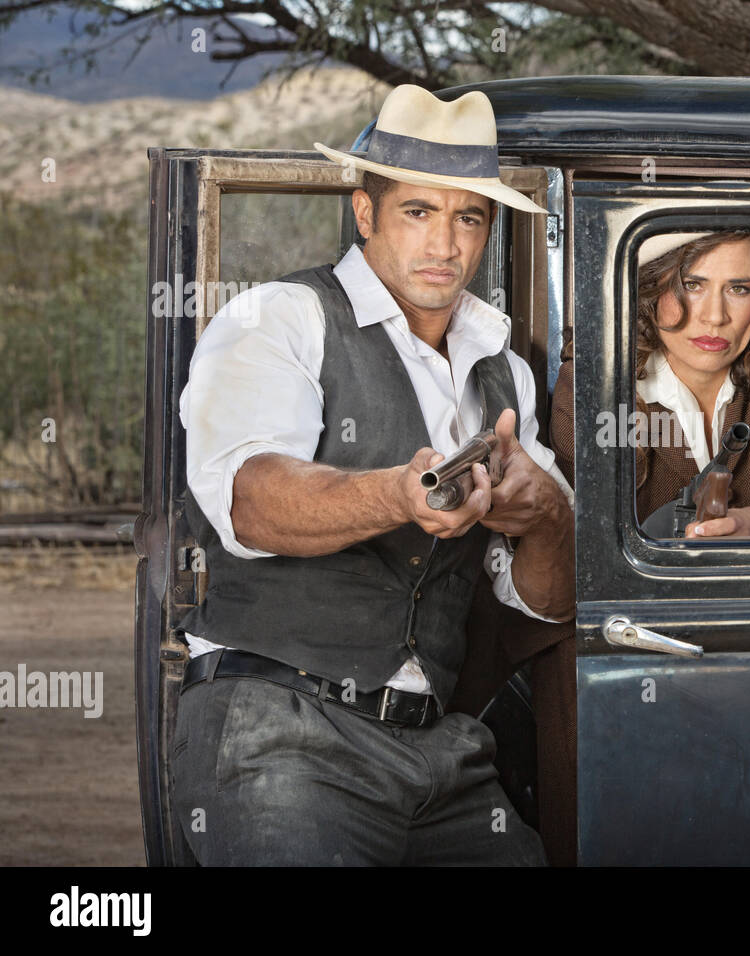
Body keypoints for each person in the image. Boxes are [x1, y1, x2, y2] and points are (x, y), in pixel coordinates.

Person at [172, 84, 575, 865]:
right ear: (365, 215)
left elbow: (543, 604)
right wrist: (399, 494)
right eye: (418, 212)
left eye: (469, 217)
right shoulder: (281, 318)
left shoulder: (505, 373)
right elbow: (251, 501)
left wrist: (546, 517)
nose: (446, 244)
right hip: (282, 733)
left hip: (441, 754)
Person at [551, 231, 750, 537]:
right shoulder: (593, 383)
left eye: (738, 289)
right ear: (648, 287)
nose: (715, 317)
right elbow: (588, 542)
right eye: (692, 285)